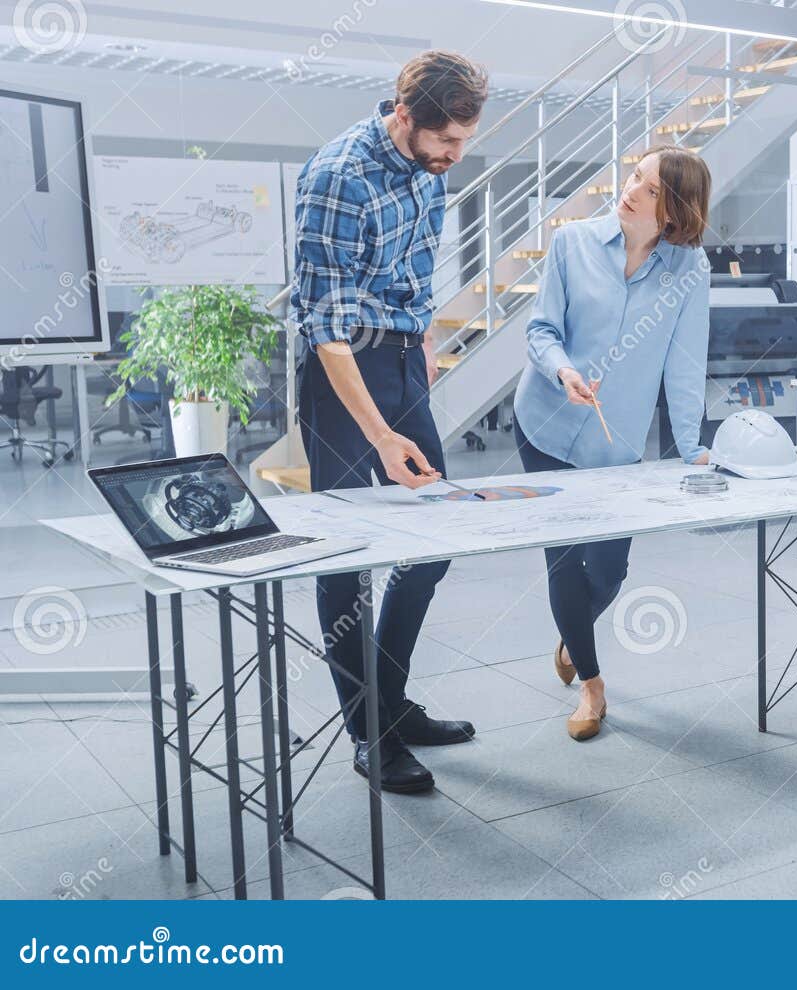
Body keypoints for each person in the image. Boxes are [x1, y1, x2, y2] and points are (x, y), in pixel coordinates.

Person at [290, 51, 485, 793]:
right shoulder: (338, 176)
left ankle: (391, 704)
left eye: (465, 142)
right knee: (346, 555)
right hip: (340, 369)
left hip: (400, 359)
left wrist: (421, 345)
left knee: (434, 541)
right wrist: (380, 432)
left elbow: (415, 268)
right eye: (448, 141)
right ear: (405, 117)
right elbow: (327, 327)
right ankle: (369, 730)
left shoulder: (430, 167)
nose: (456, 156)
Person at [512, 145, 713, 742]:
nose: (631, 191)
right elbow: (541, 328)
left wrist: (689, 447)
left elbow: (684, 364)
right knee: (563, 558)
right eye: (634, 177)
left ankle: (573, 633)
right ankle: (592, 685)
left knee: (608, 569)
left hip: (615, 440)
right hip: (545, 423)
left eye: (651, 189)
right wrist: (562, 371)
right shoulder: (572, 243)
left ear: (674, 211)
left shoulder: (689, 272)